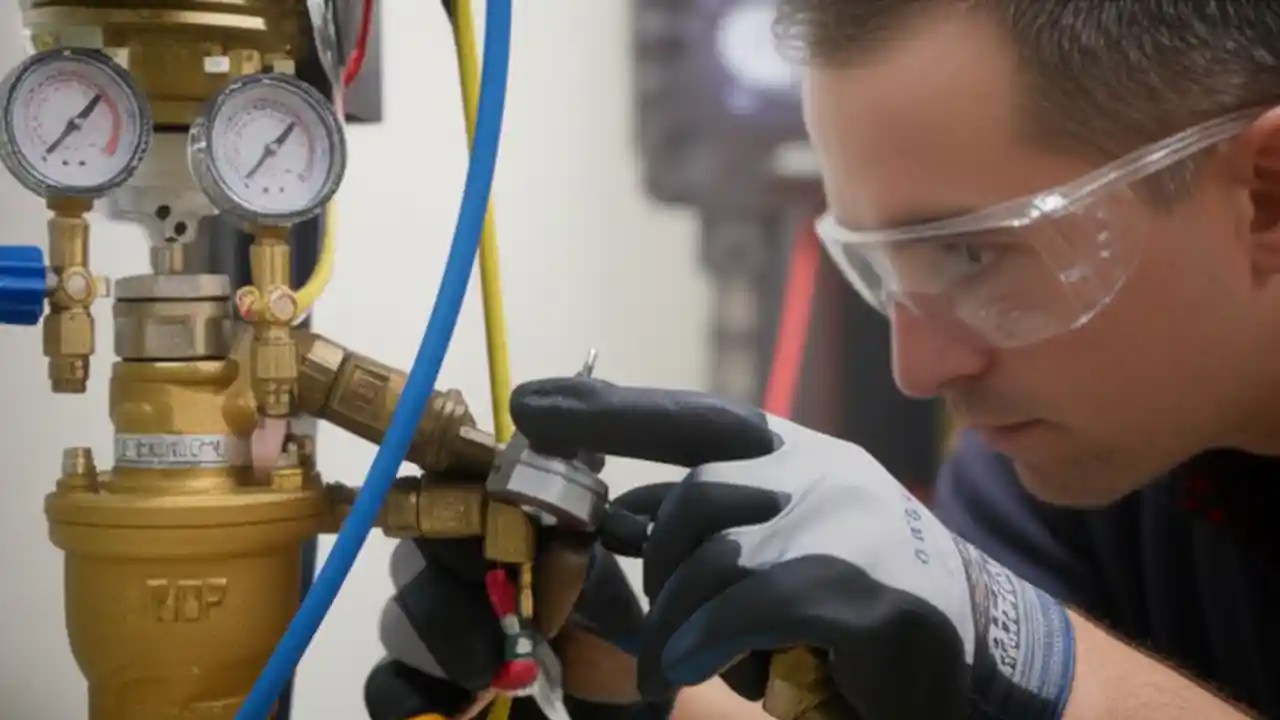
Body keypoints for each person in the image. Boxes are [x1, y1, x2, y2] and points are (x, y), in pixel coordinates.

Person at [365, 1, 1280, 718]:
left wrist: (1026, 658)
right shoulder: (1074, 464)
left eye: (973, 253)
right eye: (887, 269)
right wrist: (625, 676)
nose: (918, 371)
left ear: (1265, 195)